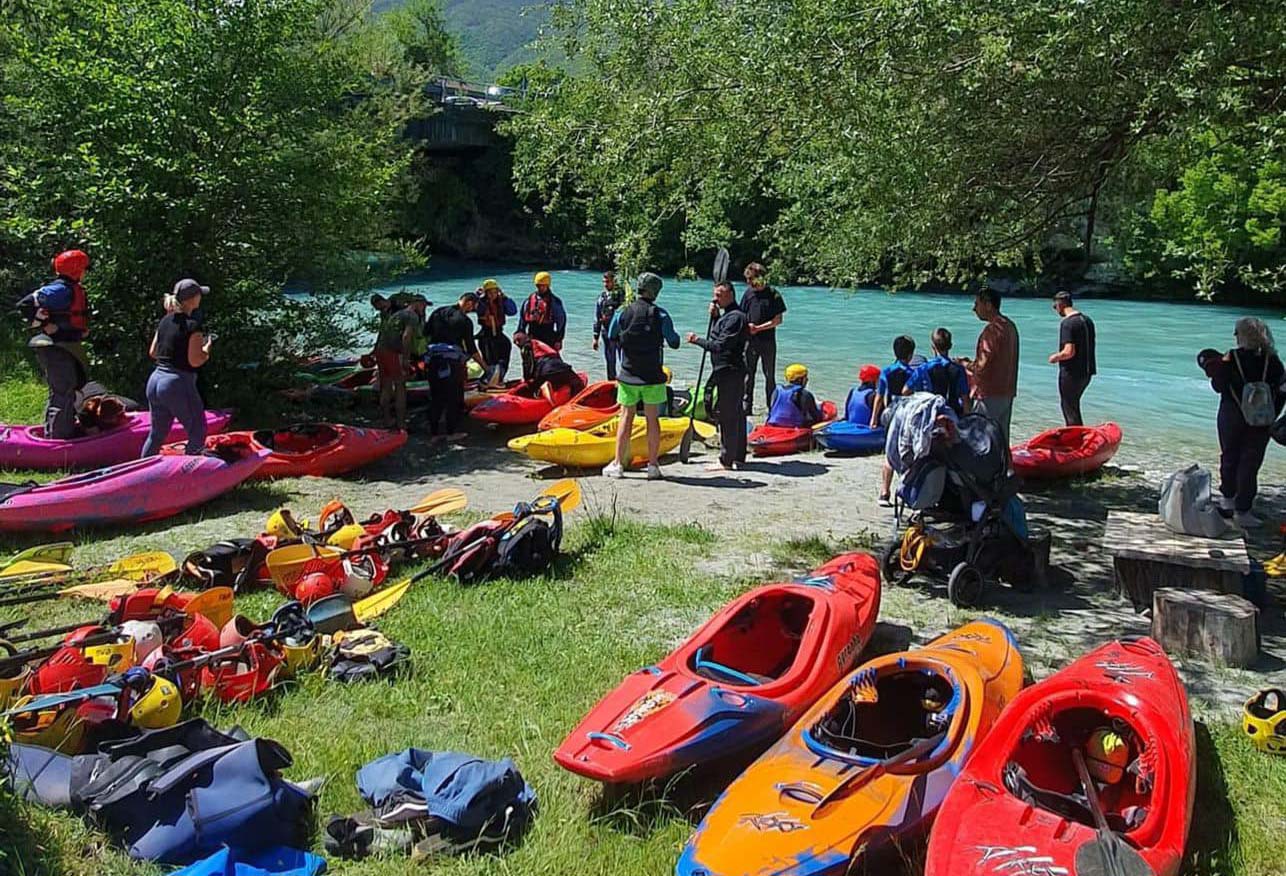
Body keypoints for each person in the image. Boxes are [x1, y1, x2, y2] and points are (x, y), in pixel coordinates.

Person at [1204, 318, 1285, 528]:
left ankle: (1227, 501)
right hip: (1261, 418)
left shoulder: (1230, 359)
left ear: (1241, 336)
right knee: (1250, 462)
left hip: (1231, 413)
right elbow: (1283, 390)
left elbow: (1219, 386)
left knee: (1229, 456)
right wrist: (1273, 415)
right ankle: (1243, 510)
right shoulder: (1272, 361)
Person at [604, 272, 681, 479]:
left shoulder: (623, 312)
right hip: (653, 377)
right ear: (655, 292)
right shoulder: (661, 315)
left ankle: (618, 464)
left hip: (628, 375)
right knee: (652, 419)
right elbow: (674, 341)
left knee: (625, 417)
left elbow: (611, 335)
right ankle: (653, 466)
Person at [18, 250, 92, 439]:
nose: (85, 272)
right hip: (56, 345)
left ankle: (55, 430)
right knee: (64, 389)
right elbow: (25, 304)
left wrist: (78, 331)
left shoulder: (68, 288)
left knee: (65, 388)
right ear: (75, 270)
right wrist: (45, 324)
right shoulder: (60, 289)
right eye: (83, 269)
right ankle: (59, 437)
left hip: (64, 344)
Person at [141, 279, 212, 456]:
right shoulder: (193, 326)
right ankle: (191, 475)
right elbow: (195, 361)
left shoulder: (165, 321)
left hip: (155, 380)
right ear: (192, 299)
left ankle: (142, 471)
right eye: (198, 295)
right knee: (197, 431)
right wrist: (206, 350)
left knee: (156, 434)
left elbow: (153, 352)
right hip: (177, 383)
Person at [687, 280, 749, 470]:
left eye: (719, 295)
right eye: (715, 295)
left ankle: (726, 460)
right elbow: (717, 336)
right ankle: (738, 456)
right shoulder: (727, 316)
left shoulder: (735, 318)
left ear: (730, 294)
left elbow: (720, 346)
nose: (715, 299)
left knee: (729, 416)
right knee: (736, 413)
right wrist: (714, 318)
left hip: (730, 370)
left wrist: (697, 340)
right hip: (727, 371)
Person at [426, 293, 488, 442]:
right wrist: (485, 367)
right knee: (454, 397)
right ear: (467, 302)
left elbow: (425, 333)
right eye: (472, 307)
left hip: (433, 360)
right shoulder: (465, 321)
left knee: (436, 397)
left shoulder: (438, 313)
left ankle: (434, 434)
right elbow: (472, 349)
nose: (472, 310)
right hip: (451, 363)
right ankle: (451, 432)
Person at [963, 286, 1020, 443]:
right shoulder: (1009, 326)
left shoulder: (992, 330)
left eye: (977, 304)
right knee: (1001, 440)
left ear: (988, 305)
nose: (974, 309)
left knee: (980, 439)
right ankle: (1007, 468)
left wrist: (965, 365)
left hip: (989, 394)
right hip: (1007, 391)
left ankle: (980, 468)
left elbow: (982, 366)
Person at [871, 336, 918, 505]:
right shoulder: (914, 373)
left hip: (890, 413)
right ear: (911, 355)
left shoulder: (887, 371)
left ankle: (884, 492)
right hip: (907, 413)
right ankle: (906, 492)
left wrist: (874, 419)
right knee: (907, 452)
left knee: (889, 453)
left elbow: (879, 397)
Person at [373, 294, 428, 431]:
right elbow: (406, 337)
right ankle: (401, 424)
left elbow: (383, 332)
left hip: (381, 350)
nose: (425, 308)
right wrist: (405, 358)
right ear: (417, 303)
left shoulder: (397, 315)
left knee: (386, 385)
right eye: (424, 305)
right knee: (400, 387)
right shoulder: (412, 316)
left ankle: (387, 420)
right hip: (393, 353)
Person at [740, 262, 787, 415]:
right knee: (748, 375)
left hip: (767, 341)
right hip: (750, 341)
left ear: (760, 278)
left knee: (769, 376)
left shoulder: (773, 294)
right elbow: (741, 315)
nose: (749, 282)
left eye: (751, 279)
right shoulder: (748, 294)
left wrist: (759, 328)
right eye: (748, 279)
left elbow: (778, 320)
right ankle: (747, 407)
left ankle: (772, 407)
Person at [1048, 291, 1097, 426]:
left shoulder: (1068, 324)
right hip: (1087, 373)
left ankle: (1075, 438)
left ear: (1061, 304)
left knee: (1068, 406)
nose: (1055, 309)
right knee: (1074, 405)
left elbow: (1069, 352)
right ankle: (1078, 435)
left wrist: (1055, 357)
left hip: (1071, 373)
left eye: (1055, 306)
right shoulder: (1087, 321)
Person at [908, 328, 971, 415]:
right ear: (950, 346)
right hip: (953, 412)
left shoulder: (923, 368)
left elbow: (905, 391)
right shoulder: (959, 369)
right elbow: (965, 399)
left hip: (930, 414)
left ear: (933, 347)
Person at [514, 332, 585, 398]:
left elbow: (528, 365)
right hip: (562, 368)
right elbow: (557, 357)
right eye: (515, 342)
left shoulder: (526, 347)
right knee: (577, 383)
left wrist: (527, 379)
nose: (517, 344)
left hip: (545, 370)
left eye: (517, 341)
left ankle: (544, 387)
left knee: (533, 385)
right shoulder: (540, 343)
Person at [475, 279, 516, 386]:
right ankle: (489, 380)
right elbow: (476, 307)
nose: (493, 295)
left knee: (506, 348)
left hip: (498, 333)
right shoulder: (481, 302)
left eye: (495, 292)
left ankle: (498, 378)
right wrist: (477, 296)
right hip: (486, 335)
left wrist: (505, 297)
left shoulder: (501, 301)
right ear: (486, 293)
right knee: (491, 361)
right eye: (490, 292)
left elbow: (513, 311)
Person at [517, 271, 567, 349]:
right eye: (539, 286)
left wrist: (559, 340)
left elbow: (561, 322)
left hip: (548, 336)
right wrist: (520, 333)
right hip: (532, 335)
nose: (541, 288)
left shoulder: (555, 302)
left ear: (548, 286)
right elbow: (522, 320)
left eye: (543, 286)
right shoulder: (528, 301)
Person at [592, 270, 625, 381]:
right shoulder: (601, 298)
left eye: (608, 282)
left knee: (624, 359)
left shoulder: (622, 296)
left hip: (621, 333)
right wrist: (595, 337)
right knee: (610, 360)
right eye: (604, 282)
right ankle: (611, 381)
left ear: (614, 282)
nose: (606, 284)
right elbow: (597, 317)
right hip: (606, 332)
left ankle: (626, 381)